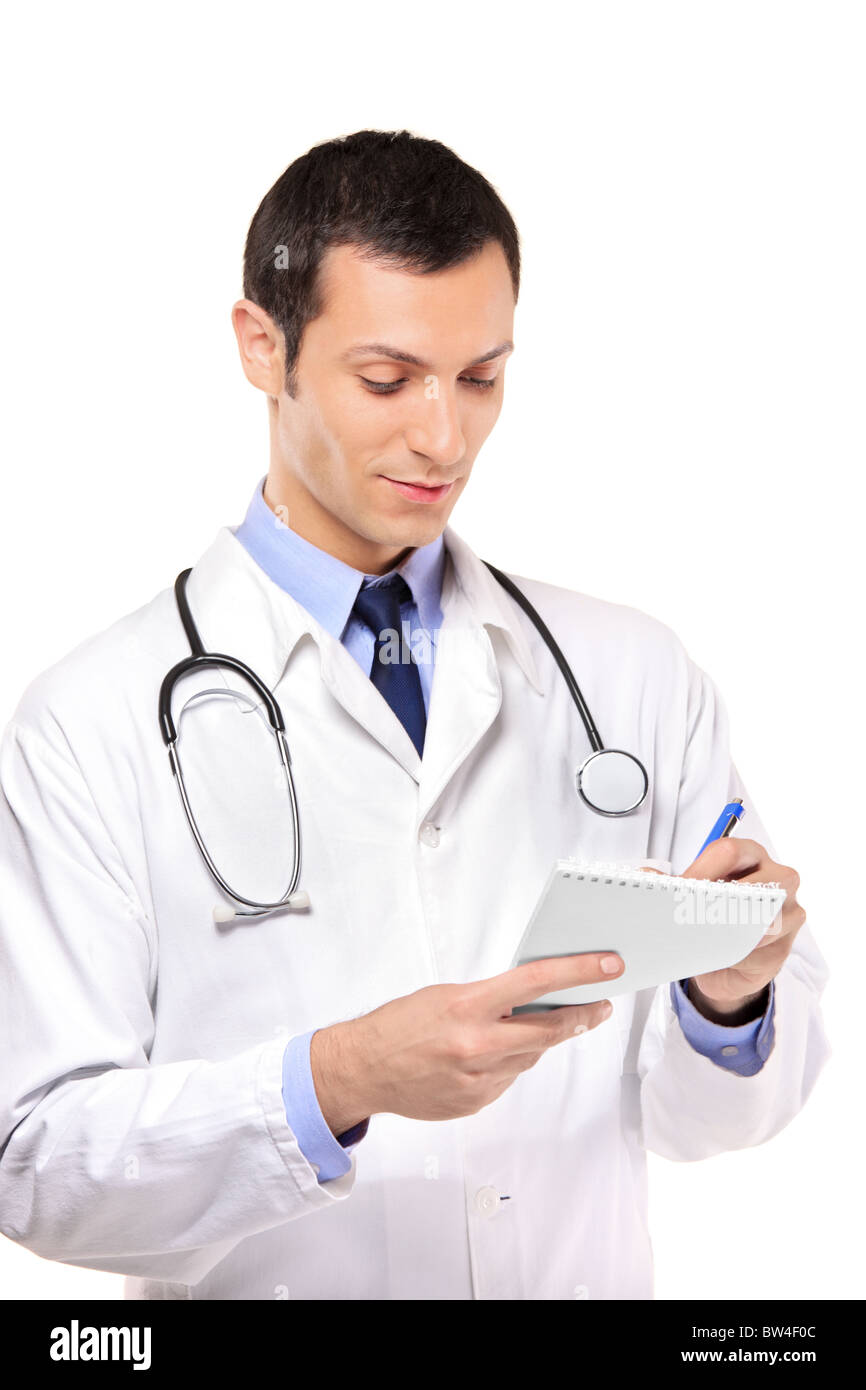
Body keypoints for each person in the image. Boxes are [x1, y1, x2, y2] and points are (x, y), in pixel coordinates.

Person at [0, 129, 830, 1302]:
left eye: (481, 376)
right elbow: (35, 1166)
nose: (445, 437)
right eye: (387, 380)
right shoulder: (89, 722)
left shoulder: (629, 674)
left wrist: (726, 992)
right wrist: (334, 1079)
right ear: (261, 347)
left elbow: (718, 1124)